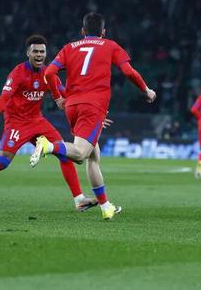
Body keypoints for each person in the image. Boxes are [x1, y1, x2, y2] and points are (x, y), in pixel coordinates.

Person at [0, 35, 98, 212]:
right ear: (28, 53)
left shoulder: (48, 73)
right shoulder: (18, 73)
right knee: (2, 161)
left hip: (37, 121)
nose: (39, 55)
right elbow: (5, 96)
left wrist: (91, 109)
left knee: (64, 153)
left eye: (42, 51)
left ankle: (79, 199)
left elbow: (64, 92)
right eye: (35, 51)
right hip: (17, 123)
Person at [32, 12, 156, 220]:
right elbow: (128, 72)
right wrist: (146, 90)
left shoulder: (69, 47)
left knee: (93, 156)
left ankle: (106, 206)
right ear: (103, 32)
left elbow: (48, 73)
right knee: (81, 154)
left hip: (73, 106)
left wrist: (58, 98)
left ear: (83, 31)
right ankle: (48, 146)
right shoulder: (110, 46)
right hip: (94, 106)